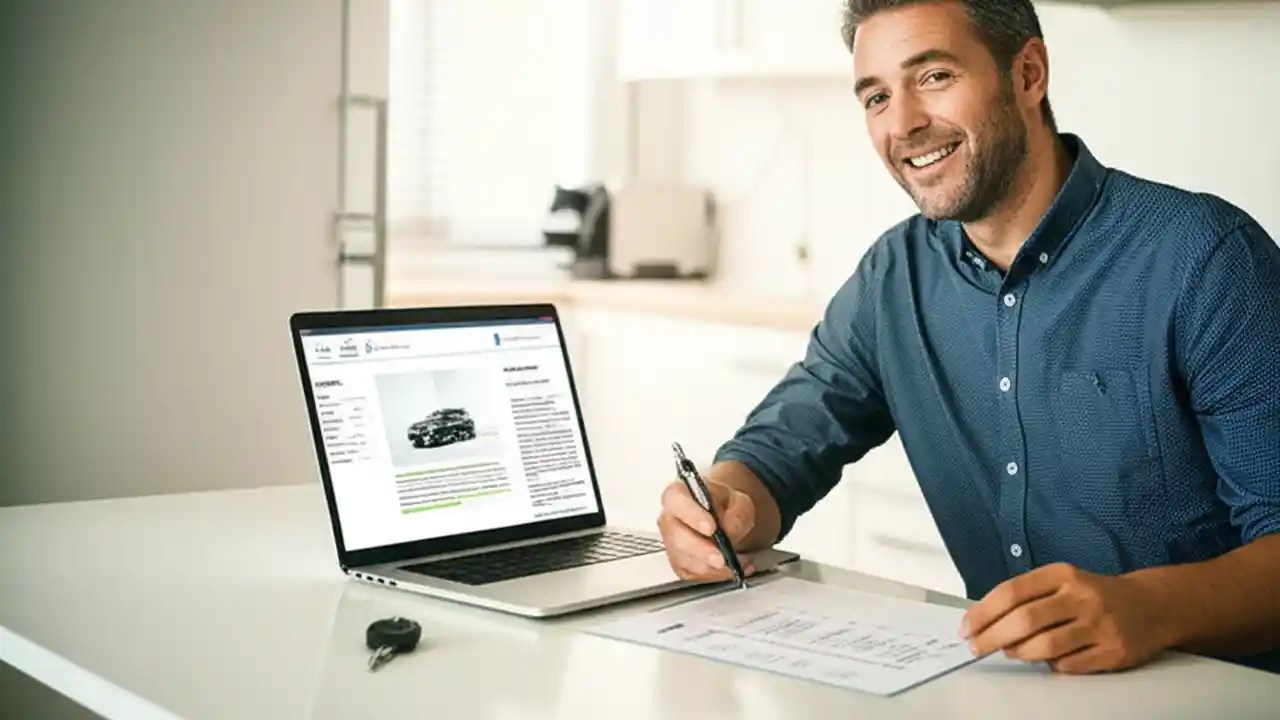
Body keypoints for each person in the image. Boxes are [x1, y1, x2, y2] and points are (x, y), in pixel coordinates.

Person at [655, 0, 1280, 675]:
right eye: (875, 97)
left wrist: (1151, 608)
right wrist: (724, 504)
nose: (903, 125)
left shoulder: (1206, 260)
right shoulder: (894, 277)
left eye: (933, 77)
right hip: (1005, 693)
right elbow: (780, 450)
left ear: (1029, 73)